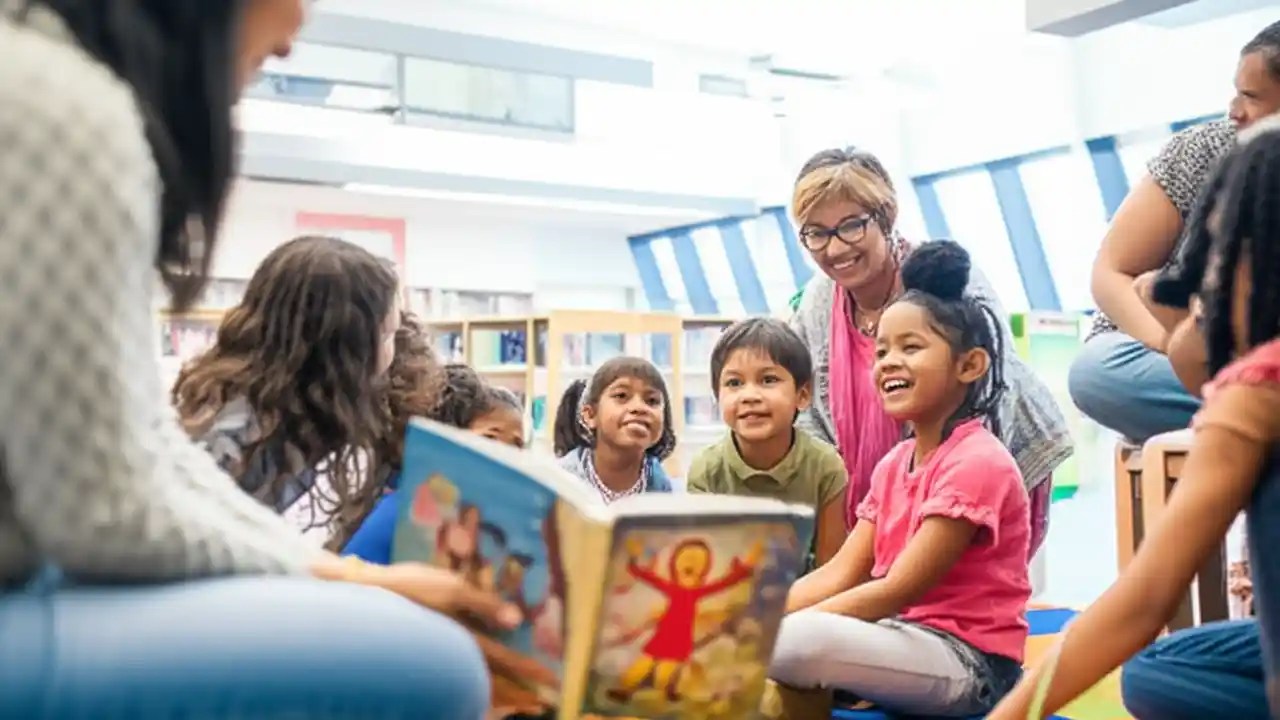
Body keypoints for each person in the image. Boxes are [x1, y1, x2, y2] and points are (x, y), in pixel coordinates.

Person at [0, 2, 510, 717]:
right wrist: (348, 582)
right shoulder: (69, 112)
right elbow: (105, 512)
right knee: (441, 667)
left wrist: (333, 574)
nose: (297, 34)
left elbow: (139, 458)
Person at [988, 113, 1280, 720]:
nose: (1207, 282)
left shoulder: (1257, 391)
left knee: (1153, 669)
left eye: (1221, 253)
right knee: (1168, 665)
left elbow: (1143, 601)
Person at [769, 241, 1031, 717]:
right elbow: (842, 572)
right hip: (904, 639)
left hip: (969, 664)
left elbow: (899, 589)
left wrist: (762, 630)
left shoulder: (978, 460)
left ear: (969, 365)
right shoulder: (896, 463)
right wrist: (754, 611)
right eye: (882, 349)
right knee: (767, 634)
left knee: (793, 643)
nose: (888, 361)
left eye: (911, 347)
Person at [787, 146, 1070, 556]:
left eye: (851, 226)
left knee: (959, 594)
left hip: (970, 476)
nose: (834, 249)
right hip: (875, 499)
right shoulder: (816, 302)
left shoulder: (945, 277)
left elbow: (991, 390)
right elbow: (806, 408)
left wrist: (929, 489)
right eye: (816, 233)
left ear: (885, 218)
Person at [1068, 20, 1280, 443]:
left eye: (1251, 97)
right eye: (1235, 92)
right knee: (1096, 373)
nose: (1234, 110)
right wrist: (1180, 347)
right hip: (1161, 345)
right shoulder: (1202, 151)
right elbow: (1111, 273)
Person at [172, 235, 402, 547]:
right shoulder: (245, 434)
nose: (393, 351)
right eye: (388, 335)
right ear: (345, 347)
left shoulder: (286, 411)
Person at [686, 318, 847, 568]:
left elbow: (832, 567)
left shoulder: (825, 466)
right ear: (717, 398)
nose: (750, 396)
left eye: (768, 380)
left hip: (807, 599)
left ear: (802, 395)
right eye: (734, 383)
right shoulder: (706, 471)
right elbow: (703, 565)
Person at [344, 363, 525, 565]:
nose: (503, 455)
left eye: (516, 447)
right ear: (447, 441)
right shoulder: (408, 510)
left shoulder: (470, 518)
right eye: (489, 439)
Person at [553, 356, 677, 502]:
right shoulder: (560, 482)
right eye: (621, 395)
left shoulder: (662, 487)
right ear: (590, 415)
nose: (639, 407)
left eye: (652, 401)